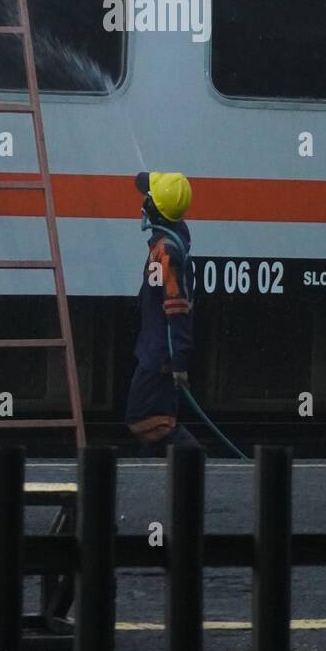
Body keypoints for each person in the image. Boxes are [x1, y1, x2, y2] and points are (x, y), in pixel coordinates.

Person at [124, 170, 200, 455]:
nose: (143, 202)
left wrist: (178, 361)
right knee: (153, 419)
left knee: (145, 418)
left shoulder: (167, 252)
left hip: (159, 352)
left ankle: (193, 462)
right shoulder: (166, 245)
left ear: (154, 209)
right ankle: (165, 481)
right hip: (156, 348)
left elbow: (176, 307)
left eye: (148, 198)